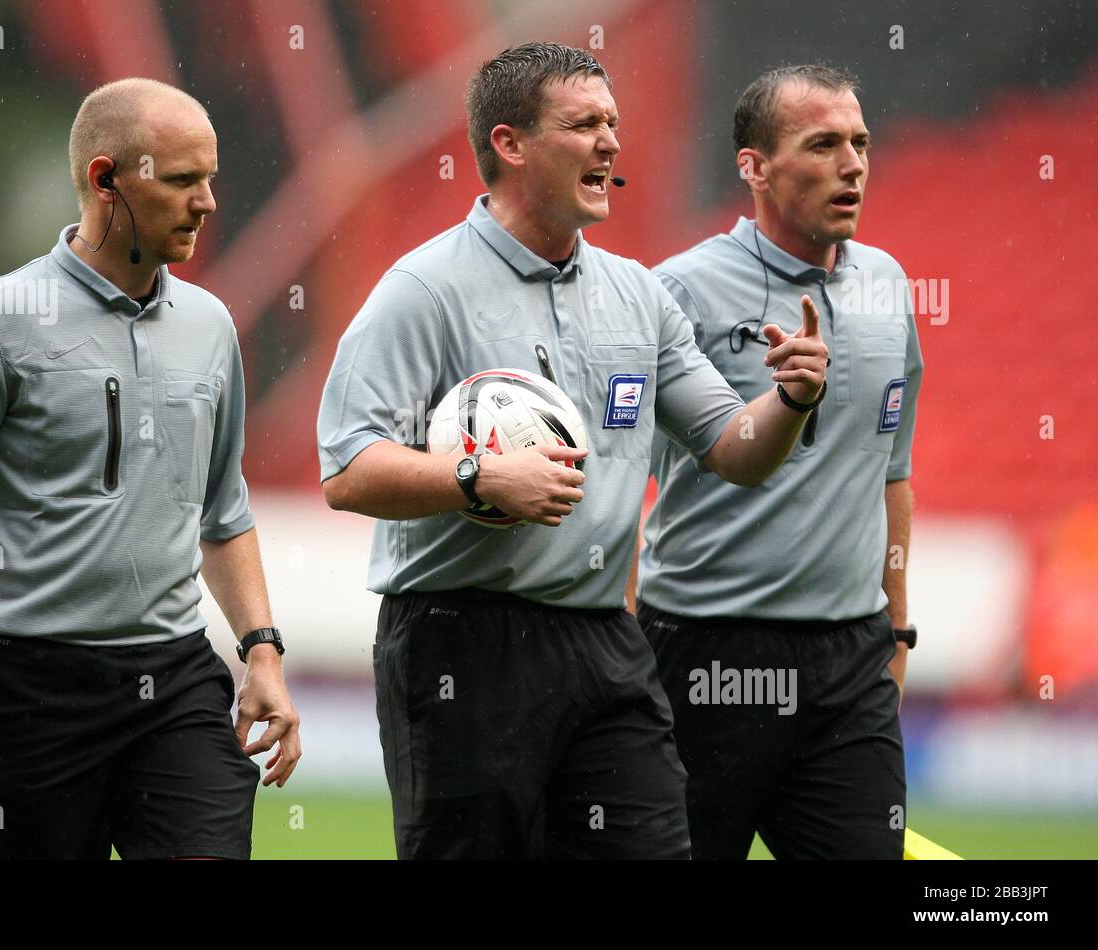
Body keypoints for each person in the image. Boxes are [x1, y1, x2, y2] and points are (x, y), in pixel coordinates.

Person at [316, 43, 828, 859]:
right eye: (584, 124)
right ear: (511, 144)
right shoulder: (421, 292)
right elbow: (347, 474)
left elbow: (736, 451)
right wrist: (478, 478)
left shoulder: (639, 295)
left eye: (613, 124)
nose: (610, 143)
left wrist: (793, 400)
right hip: (460, 642)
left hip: (605, 645)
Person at [0, 77, 300, 860]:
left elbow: (223, 510)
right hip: (24, 686)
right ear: (107, 180)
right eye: (180, 181)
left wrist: (262, 653)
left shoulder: (210, 327)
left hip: (174, 676)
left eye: (210, 178)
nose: (206, 202)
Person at [636, 64, 923, 859]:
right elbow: (620, 479)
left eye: (860, 143)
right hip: (703, 652)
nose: (853, 163)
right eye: (823, 143)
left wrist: (896, 627)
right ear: (753, 166)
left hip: (848, 664)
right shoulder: (677, 293)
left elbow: (890, 469)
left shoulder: (888, 285)